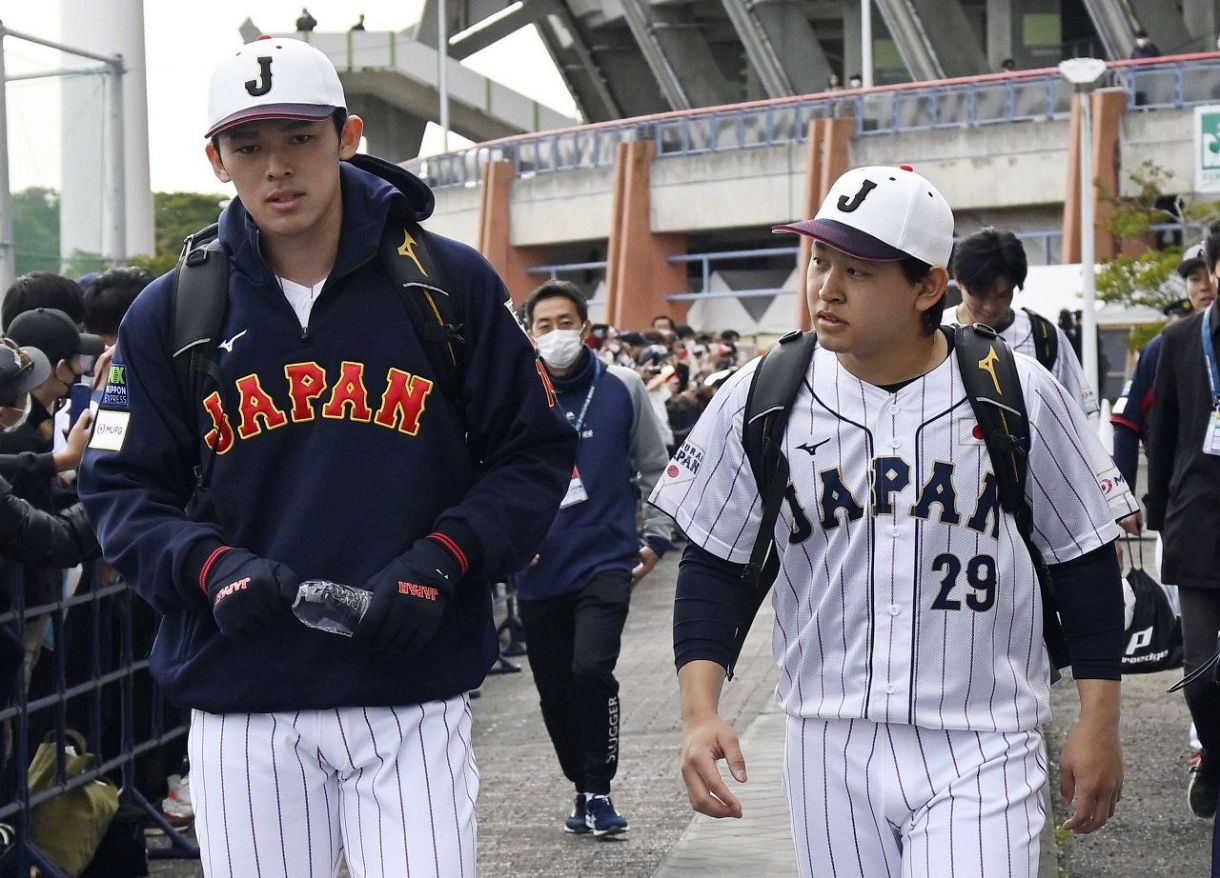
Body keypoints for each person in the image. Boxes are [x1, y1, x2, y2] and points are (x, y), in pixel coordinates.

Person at [78, 36, 575, 877]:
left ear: (347, 136)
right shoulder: (172, 311)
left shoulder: (446, 282)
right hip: (244, 695)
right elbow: (120, 489)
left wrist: (446, 559)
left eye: (300, 137)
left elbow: (533, 454)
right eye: (249, 144)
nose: (277, 166)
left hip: (409, 690)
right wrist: (206, 566)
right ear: (216, 158)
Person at [651, 165, 1134, 877]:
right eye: (822, 260)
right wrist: (701, 712)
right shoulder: (761, 394)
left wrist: (1100, 725)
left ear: (928, 287)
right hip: (826, 741)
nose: (827, 286)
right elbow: (715, 562)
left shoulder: (1017, 392)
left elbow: (1083, 560)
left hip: (984, 738)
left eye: (860, 269)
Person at [517, 279, 673, 838]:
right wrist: (508, 538)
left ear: (585, 327)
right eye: (543, 325)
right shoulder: (517, 392)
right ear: (529, 332)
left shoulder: (622, 386)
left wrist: (656, 539)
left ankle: (600, 789)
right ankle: (580, 787)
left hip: (608, 559)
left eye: (565, 323)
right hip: (538, 568)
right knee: (555, 688)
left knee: (591, 668)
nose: (555, 334)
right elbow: (493, 474)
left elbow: (656, 465)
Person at [1145, 231, 1220, 820]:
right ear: (1212, 273)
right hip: (1198, 529)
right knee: (1200, 677)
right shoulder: (1179, 342)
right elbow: (1160, 436)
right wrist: (1160, 513)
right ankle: (1214, 754)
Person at [945, 227, 1099, 419]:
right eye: (979, 293)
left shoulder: (1043, 338)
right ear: (959, 281)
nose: (990, 307)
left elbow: (1079, 416)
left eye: (1002, 294)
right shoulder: (934, 334)